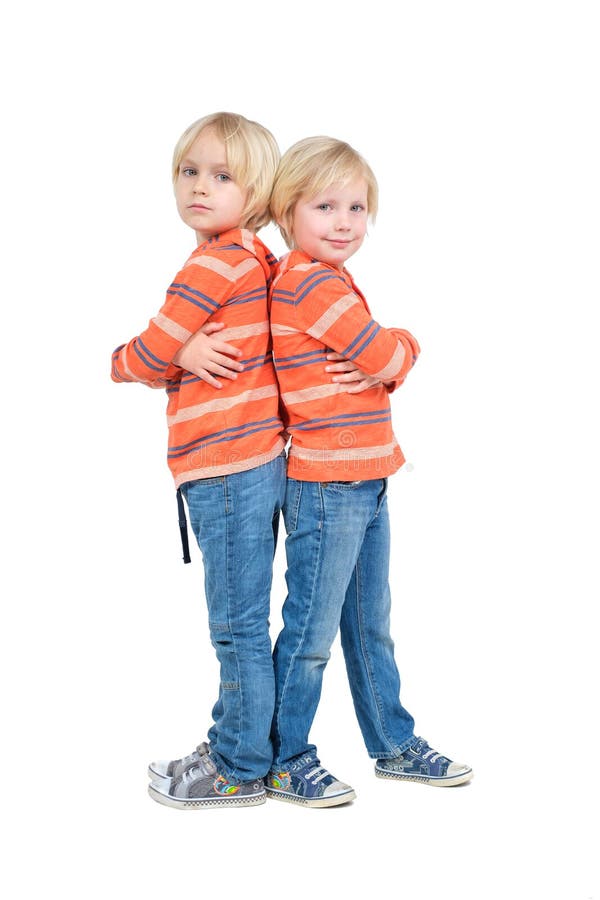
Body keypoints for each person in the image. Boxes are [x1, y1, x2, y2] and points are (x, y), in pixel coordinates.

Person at [266, 136, 472, 807]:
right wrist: (402, 346)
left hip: (364, 478)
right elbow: (384, 356)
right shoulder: (312, 283)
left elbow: (378, 361)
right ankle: (284, 757)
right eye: (324, 206)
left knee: (367, 625)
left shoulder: (325, 279)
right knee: (311, 633)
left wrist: (385, 359)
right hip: (330, 485)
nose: (344, 222)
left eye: (356, 207)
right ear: (287, 212)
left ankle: (393, 743)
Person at [111, 112, 286, 809]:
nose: (199, 187)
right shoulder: (255, 259)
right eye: (189, 171)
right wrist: (177, 353)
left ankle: (239, 766)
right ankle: (235, 742)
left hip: (226, 465)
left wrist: (162, 355)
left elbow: (140, 357)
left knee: (236, 625)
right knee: (244, 620)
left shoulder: (213, 263)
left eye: (222, 176)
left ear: (257, 192)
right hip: (253, 460)